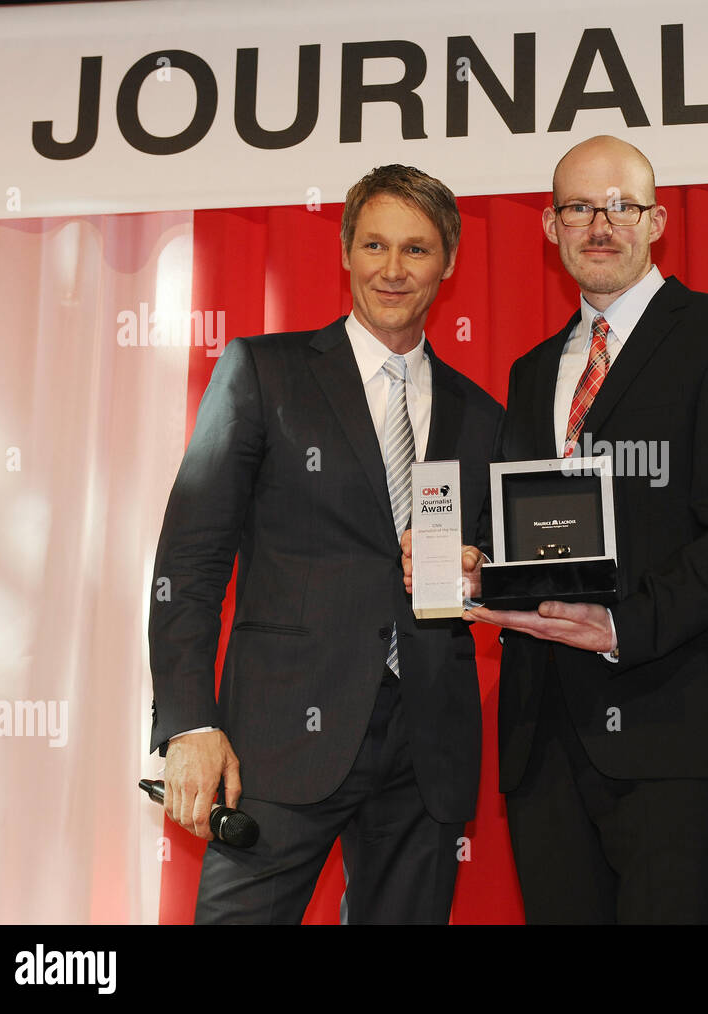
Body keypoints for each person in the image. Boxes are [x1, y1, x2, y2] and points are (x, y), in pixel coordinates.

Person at [148, 164, 503, 924]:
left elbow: (492, 569)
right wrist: (190, 723)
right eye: (374, 245)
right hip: (278, 742)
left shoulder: (484, 414)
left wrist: (481, 571)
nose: (393, 269)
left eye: (416, 249)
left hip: (427, 750)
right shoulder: (262, 372)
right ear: (345, 252)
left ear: (448, 263)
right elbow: (190, 561)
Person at [464, 135, 708, 923]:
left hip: (675, 718)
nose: (600, 225)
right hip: (544, 734)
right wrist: (475, 560)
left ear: (658, 220)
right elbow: (527, 525)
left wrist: (618, 625)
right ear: (550, 228)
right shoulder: (532, 370)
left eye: (621, 206)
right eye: (578, 208)